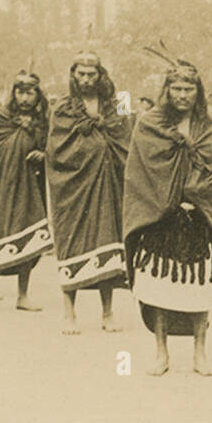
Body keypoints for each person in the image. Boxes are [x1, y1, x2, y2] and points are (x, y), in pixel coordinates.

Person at [122, 59, 212, 376]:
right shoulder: (149, 125)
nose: (182, 95)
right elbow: (141, 172)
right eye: (176, 88)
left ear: (198, 92)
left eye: (189, 89)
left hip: (198, 217)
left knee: (200, 287)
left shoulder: (211, 129)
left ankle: (200, 352)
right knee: (159, 287)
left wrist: (193, 197)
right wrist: (168, 201)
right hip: (161, 218)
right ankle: (161, 352)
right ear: (166, 91)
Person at [46, 50, 131, 332]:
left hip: (108, 187)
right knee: (72, 243)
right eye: (80, 74)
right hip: (73, 191)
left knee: (106, 241)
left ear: (100, 75)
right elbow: (57, 150)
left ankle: (107, 312)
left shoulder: (116, 105)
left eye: (91, 74)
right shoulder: (63, 108)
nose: (85, 79)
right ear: (73, 75)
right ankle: (69, 313)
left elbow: (125, 139)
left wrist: (103, 130)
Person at [0, 70, 53, 312]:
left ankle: (23, 295)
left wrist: (42, 153)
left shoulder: (43, 121)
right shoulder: (1, 117)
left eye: (30, 93)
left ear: (37, 95)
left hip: (31, 185)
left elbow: (51, 146)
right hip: (3, 188)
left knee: (27, 237)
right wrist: (16, 144)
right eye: (20, 92)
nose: (25, 98)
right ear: (13, 93)